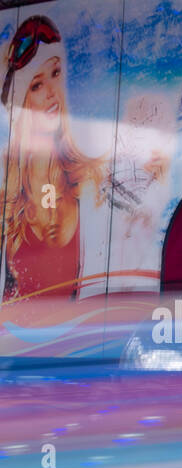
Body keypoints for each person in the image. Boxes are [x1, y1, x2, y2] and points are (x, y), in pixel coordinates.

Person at [0, 15, 108, 304]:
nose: (51, 93)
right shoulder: (6, 199)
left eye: (56, 73)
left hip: (74, 344)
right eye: (36, 86)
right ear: (21, 103)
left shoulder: (92, 183)